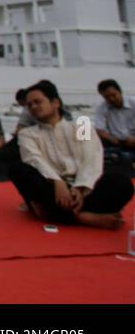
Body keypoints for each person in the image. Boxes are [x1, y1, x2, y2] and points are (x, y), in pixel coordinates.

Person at [9, 81, 134, 229]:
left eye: (38, 102)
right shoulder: (27, 134)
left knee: (122, 183)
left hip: (85, 188)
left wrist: (80, 187)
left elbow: (91, 157)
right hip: (52, 189)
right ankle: (84, 217)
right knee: (18, 170)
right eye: (29, 105)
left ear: (55, 103)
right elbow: (34, 160)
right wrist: (58, 182)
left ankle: (55, 214)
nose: (33, 107)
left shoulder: (82, 125)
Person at [94, 79, 135, 168]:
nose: (111, 99)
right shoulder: (102, 108)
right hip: (117, 144)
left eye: (113, 95)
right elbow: (99, 129)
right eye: (107, 97)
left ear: (120, 92)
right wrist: (111, 138)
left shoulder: (133, 103)